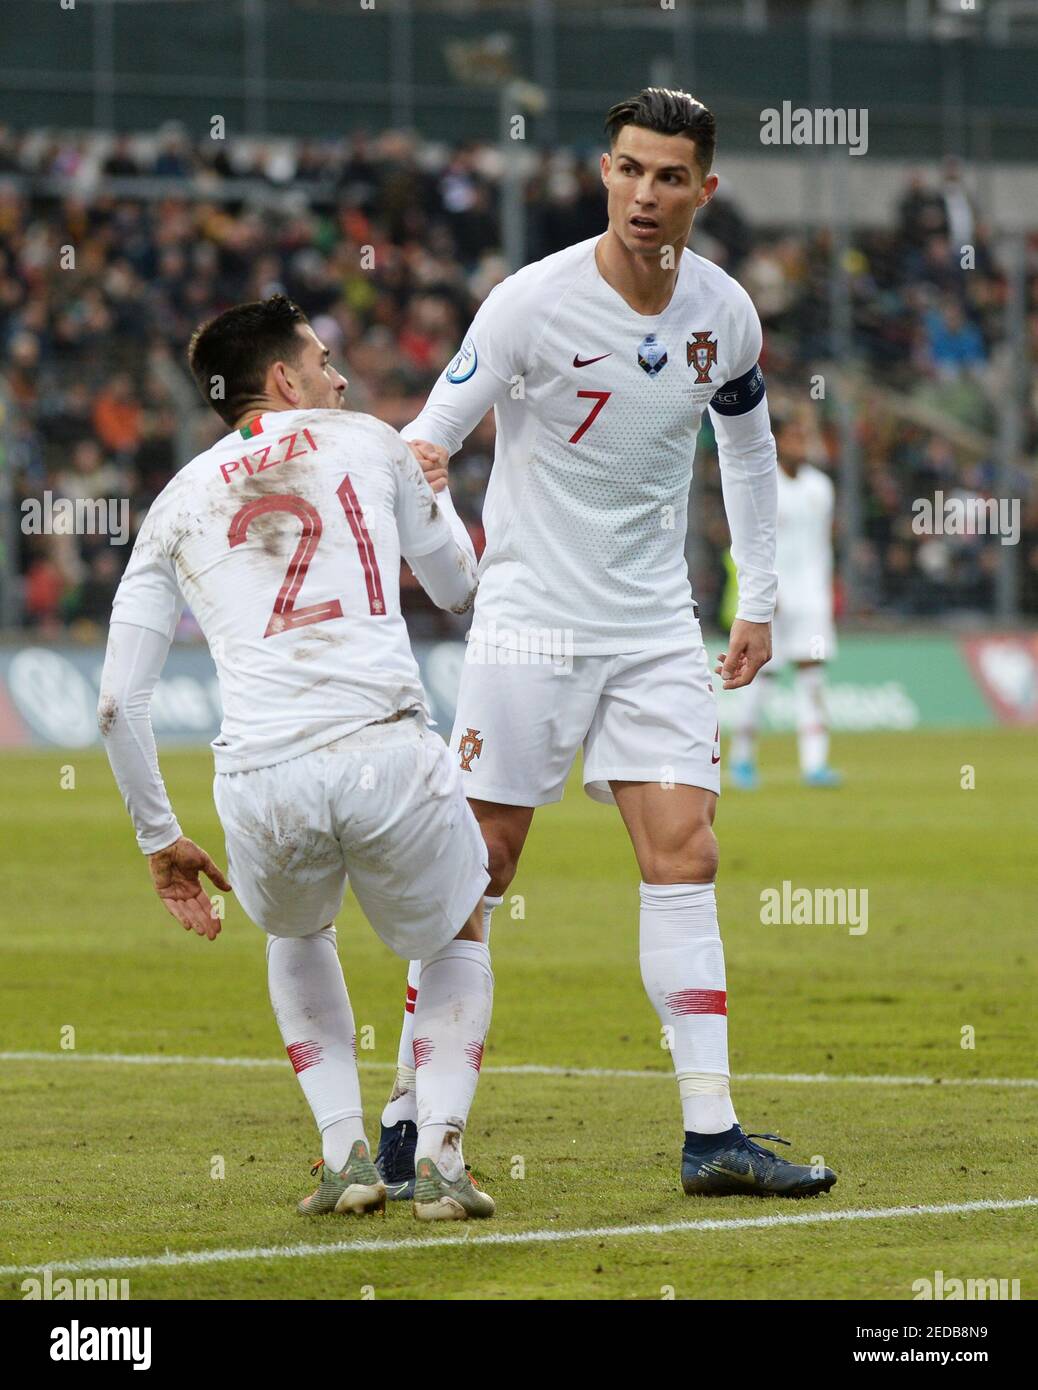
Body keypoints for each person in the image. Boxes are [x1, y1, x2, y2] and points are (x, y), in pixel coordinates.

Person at [379, 89, 837, 1199]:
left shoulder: (725, 315)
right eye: (629, 170)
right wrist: (456, 577)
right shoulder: (528, 305)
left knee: (687, 852)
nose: (646, 194)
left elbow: (748, 456)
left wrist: (759, 599)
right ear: (603, 174)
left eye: (670, 176)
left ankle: (711, 1133)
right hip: (529, 623)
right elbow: (418, 453)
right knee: (479, 868)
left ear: (703, 190)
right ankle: (409, 1117)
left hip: (654, 626)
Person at [98, 294, 497, 1221]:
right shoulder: (371, 439)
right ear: (284, 379)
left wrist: (161, 838)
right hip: (384, 743)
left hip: (261, 773)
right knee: (456, 934)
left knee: (294, 934)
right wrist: (432, 487)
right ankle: (437, 1153)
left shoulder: (174, 503)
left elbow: (118, 703)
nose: (340, 374)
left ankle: (344, 1155)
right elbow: (458, 587)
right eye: (322, 358)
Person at [730, 412, 842, 789]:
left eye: (805, 436)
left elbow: (822, 544)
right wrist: (761, 592)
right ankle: (742, 760)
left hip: (813, 599)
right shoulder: (765, 485)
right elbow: (752, 541)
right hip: (775, 599)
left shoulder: (821, 487)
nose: (801, 444)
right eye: (794, 436)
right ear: (777, 441)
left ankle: (815, 764)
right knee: (761, 678)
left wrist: (828, 591)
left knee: (813, 679)